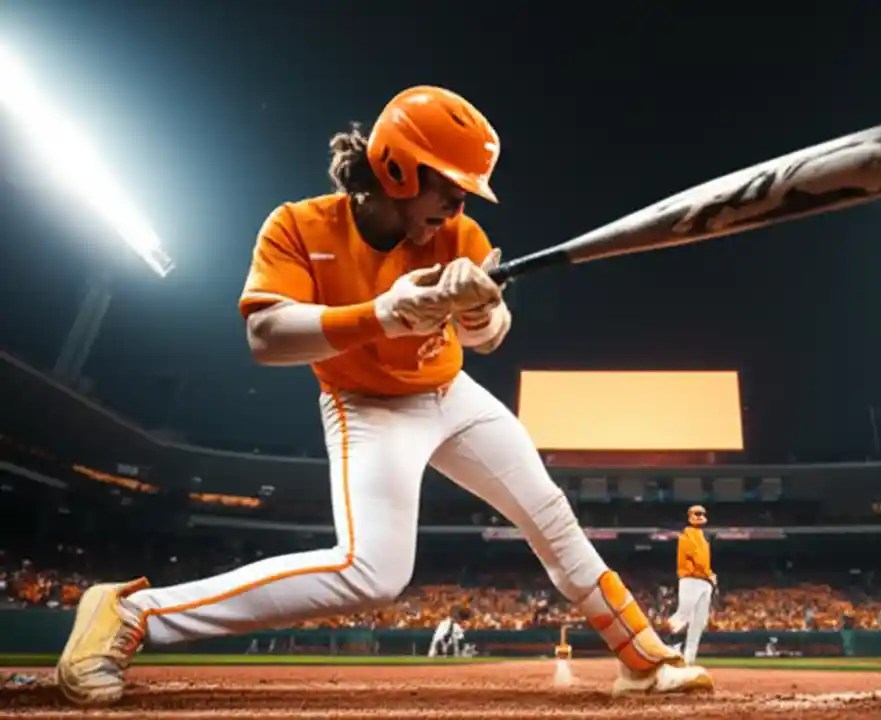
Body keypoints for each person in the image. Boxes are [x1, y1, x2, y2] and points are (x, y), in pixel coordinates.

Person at [54, 85, 712, 705]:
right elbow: (266, 335)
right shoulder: (298, 228)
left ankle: (642, 660)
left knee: (549, 512)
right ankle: (130, 613)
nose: (458, 210)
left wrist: (480, 311)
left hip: (451, 394)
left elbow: (489, 336)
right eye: (450, 191)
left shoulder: (458, 237)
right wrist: (385, 314)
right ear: (398, 170)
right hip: (366, 407)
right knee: (374, 572)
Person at [666, 505, 716, 664]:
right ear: (689, 516)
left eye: (702, 513)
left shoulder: (702, 536)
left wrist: (709, 576)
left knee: (699, 622)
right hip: (690, 579)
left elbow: (703, 561)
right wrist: (710, 574)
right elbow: (697, 557)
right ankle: (670, 646)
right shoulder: (687, 534)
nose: (700, 516)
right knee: (683, 616)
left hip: (704, 581)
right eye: (696, 514)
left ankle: (689, 660)